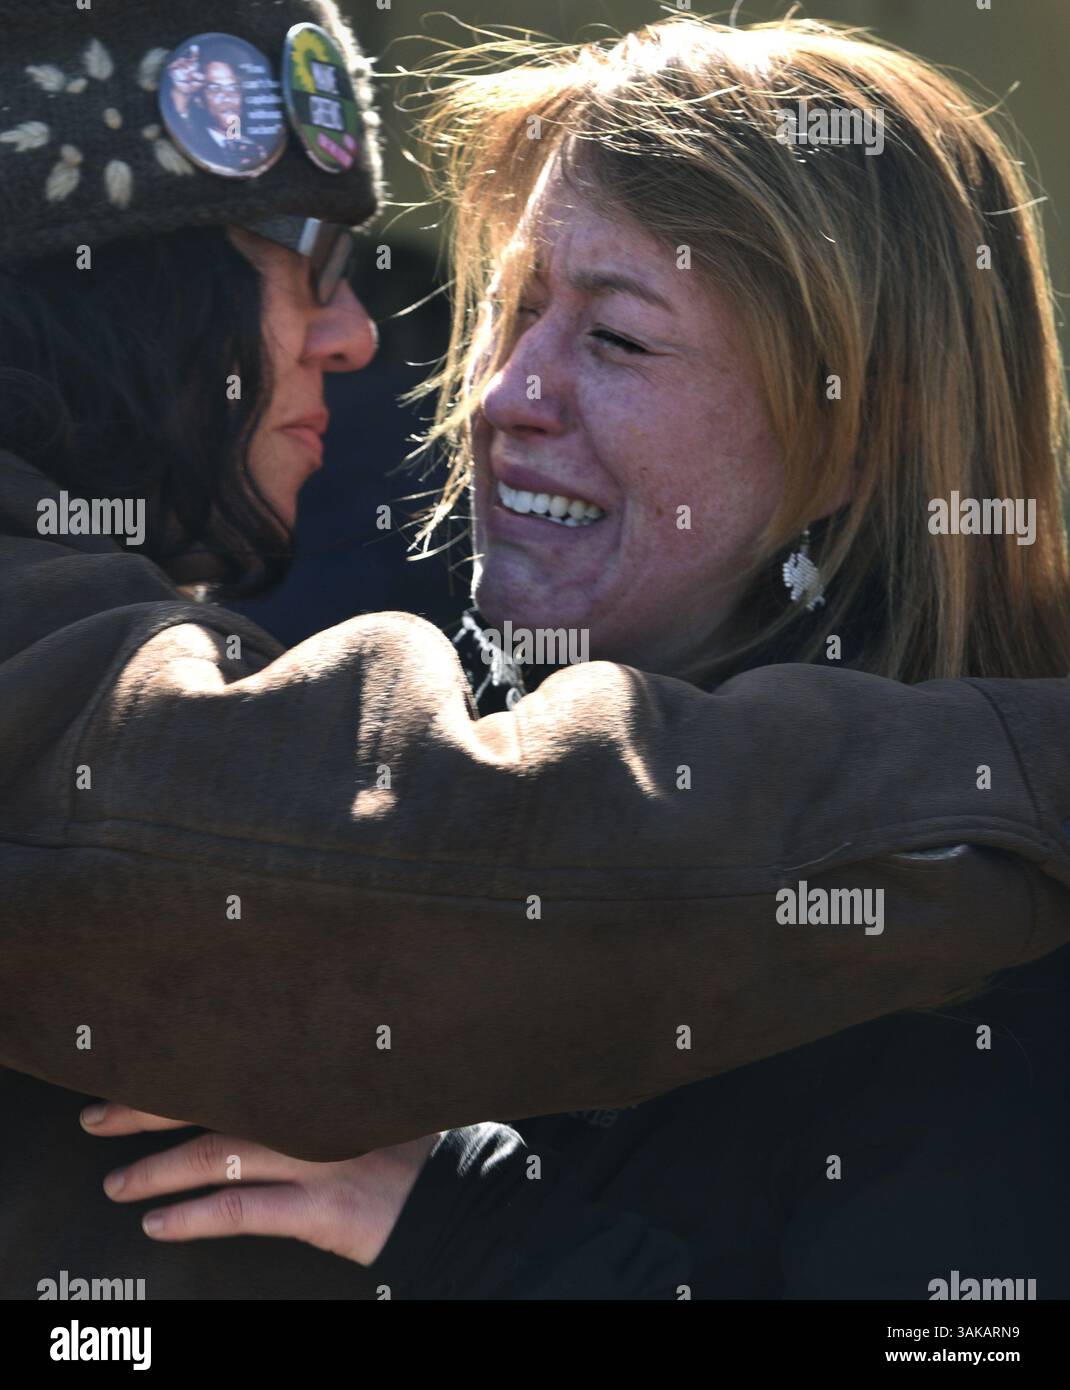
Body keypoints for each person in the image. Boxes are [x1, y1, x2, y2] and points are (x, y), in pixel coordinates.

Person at [1, 0, 1069, 1301]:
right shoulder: (399, 800)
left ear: (858, 435)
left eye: (615, 337)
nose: (504, 393)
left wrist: (487, 1240)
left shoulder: (982, 996)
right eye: (509, 313)